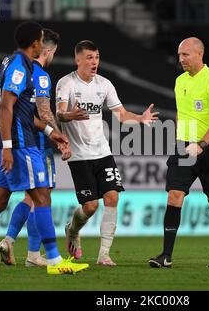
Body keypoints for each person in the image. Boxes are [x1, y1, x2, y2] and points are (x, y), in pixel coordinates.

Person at [0, 21, 88, 275]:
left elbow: (22, 111)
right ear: (36, 44)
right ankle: (53, 260)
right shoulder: (20, 66)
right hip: (18, 144)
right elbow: (6, 106)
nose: (43, 45)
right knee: (41, 196)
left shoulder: (13, 62)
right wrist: (8, 147)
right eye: (41, 40)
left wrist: (51, 132)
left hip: (7, 140)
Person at [56, 40, 159, 266]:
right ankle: (72, 230)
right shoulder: (66, 84)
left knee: (113, 196)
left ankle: (104, 254)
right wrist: (71, 115)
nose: (94, 62)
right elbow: (60, 114)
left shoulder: (104, 84)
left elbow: (121, 114)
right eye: (90, 58)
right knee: (90, 206)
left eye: (97, 57)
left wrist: (140, 119)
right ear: (78, 60)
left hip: (102, 152)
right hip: (79, 155)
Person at [148, 37, 209, 268]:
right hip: (183, 146)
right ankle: (166, 255)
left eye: (185, 54)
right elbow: (181, 114)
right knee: (174, 196)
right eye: (179, 54)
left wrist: (202, 144)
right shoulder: (179, 81)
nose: (181, 59)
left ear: (199, 54)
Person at [0, 28, 65, 268]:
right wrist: (58, 136)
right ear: (47, 50)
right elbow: (44, 113)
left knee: (25, 196)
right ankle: (34, 253)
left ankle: (9, 240)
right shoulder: (40, 75)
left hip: (15, 140)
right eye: (54, 52)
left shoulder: (10, 62)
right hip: (33, 142)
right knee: (41, 195)